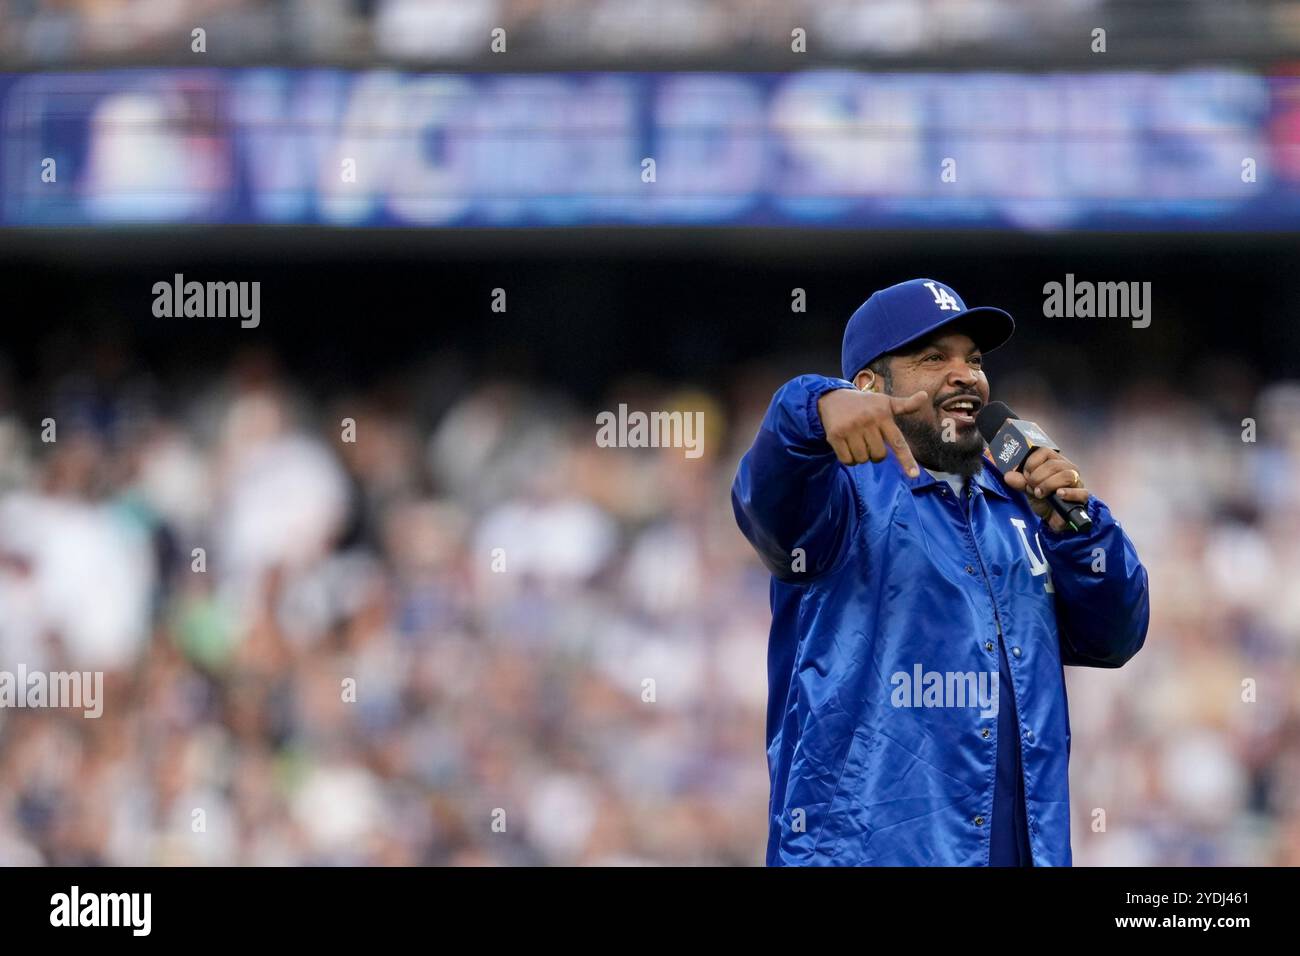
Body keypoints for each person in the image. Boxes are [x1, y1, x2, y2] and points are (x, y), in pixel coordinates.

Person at [731, 278, 1150, 866]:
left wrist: (1077, 530)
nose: (966, 375)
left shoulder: (1019, 503)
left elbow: (1115, 636)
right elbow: (763, 495)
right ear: (868, 389)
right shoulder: (835, 495)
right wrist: (812, 405)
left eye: (973, 360)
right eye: (933, 358)